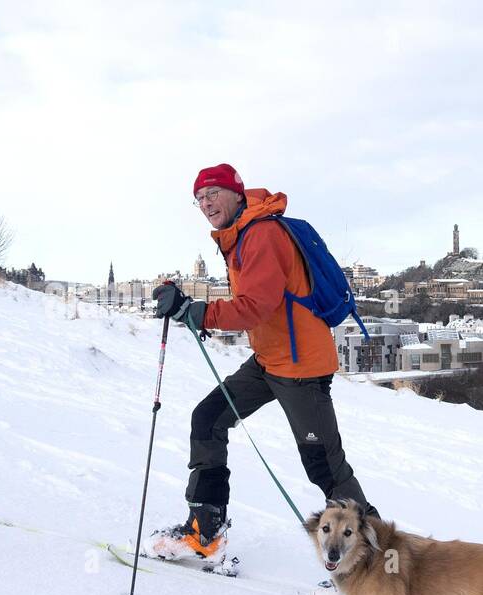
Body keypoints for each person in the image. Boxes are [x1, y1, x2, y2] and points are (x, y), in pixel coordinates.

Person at [148, 163, 377, 560]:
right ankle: (206, 532)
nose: (206, 203)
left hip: (301, 367)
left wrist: (196, 312)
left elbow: (254, 306)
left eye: (213, 193)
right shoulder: (241, 234)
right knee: (209, 418)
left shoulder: (262, 234)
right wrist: (186, 303)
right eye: (199, 199)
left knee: (325, 467)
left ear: (236, 192)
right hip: (270, 361)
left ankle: (375, 559)